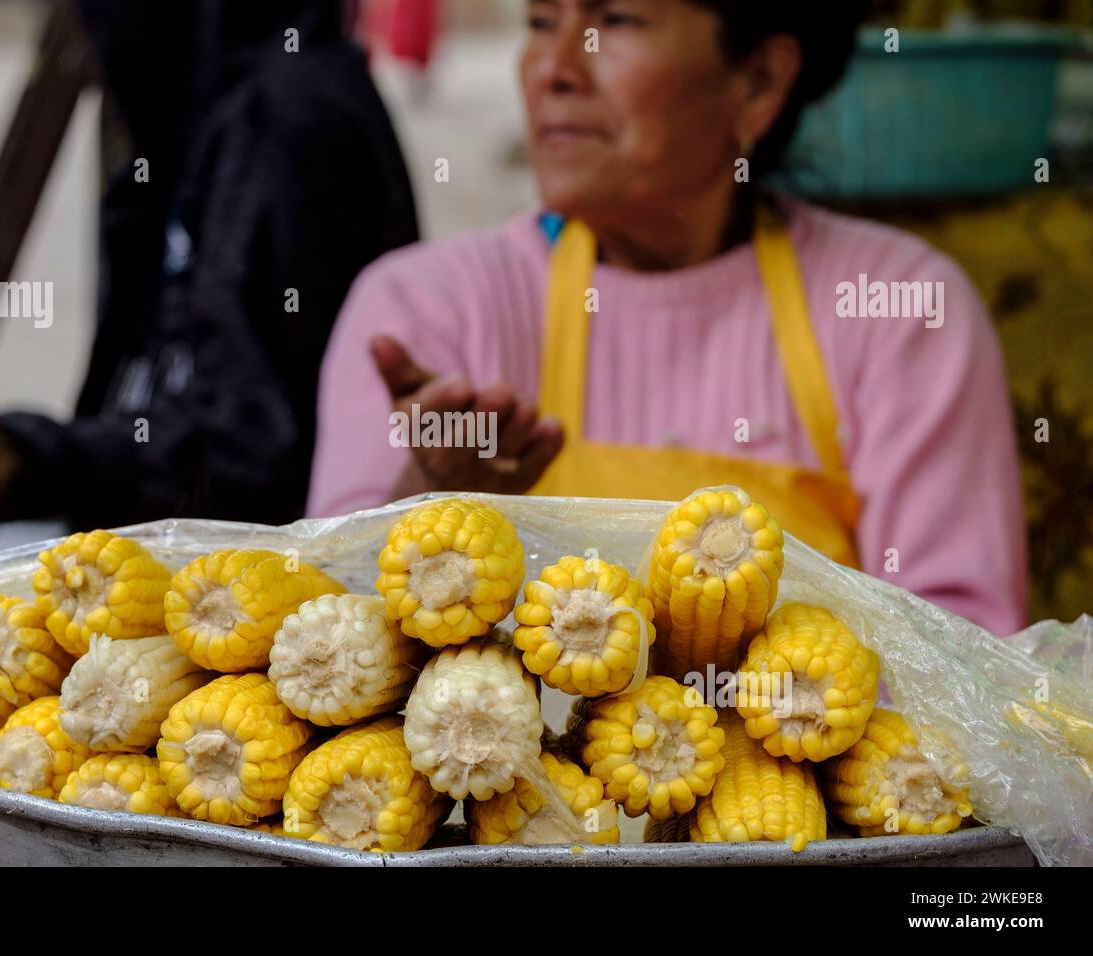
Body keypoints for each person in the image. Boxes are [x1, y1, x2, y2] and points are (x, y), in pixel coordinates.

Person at [307, 0, 1028, 635]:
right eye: (538, 22)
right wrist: (422, 507)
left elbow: (967, 661)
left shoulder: (897, 308)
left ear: (757, 83)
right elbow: (321, 646)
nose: (553, 68)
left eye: (613, 21)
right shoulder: (424, 309)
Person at [0, 0, 418, 530]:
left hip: (245, 585)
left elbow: (261, 450)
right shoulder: (180, 116)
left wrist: (44, 462)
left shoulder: (289, 123)